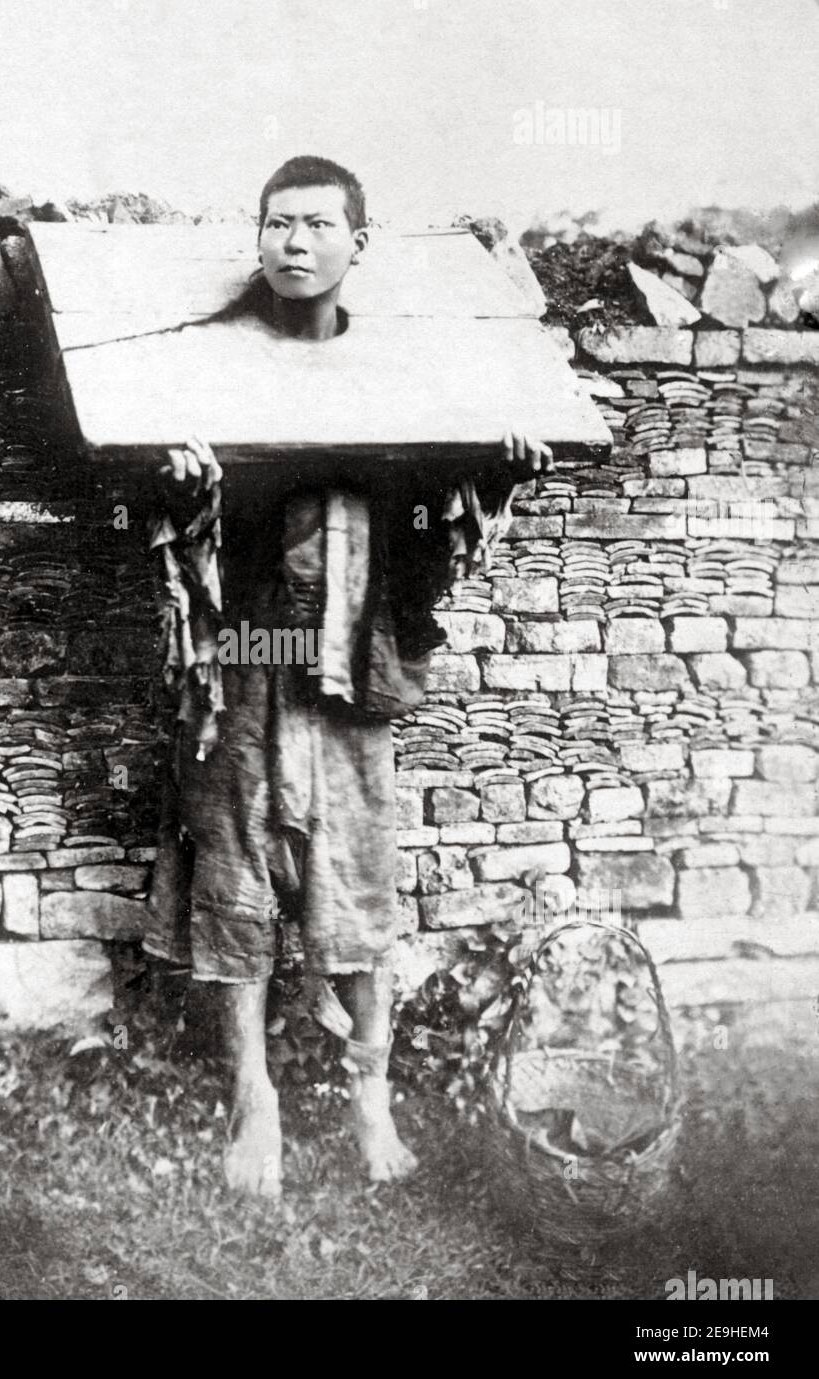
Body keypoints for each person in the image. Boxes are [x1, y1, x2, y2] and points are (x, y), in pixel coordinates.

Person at [144, 156, 553, 1198]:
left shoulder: (405, 383)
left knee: (359, 879)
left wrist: (490, 470)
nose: (292, 242)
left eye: (317, 225)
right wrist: (184, 487)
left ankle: (371, 1098)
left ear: (357, 246)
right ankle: (255, 1105)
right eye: (276, 224)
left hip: (352, 667)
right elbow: (170, 519)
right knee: (235, 879)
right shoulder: (207, 364)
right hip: (245, 663)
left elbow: (428, 526)